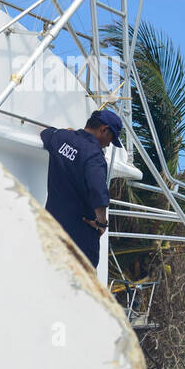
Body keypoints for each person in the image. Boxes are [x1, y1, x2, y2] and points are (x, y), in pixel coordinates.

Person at [39, 109, 123, 266]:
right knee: (79, 286)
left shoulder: (61, 137)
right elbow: (98, 192)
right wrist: (102, 223)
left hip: (51, 227)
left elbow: (46, 133)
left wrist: (67, 134)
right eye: (111, 138)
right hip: (79, 238)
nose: (109, 144)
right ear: (104, 129)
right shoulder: (94, 156)